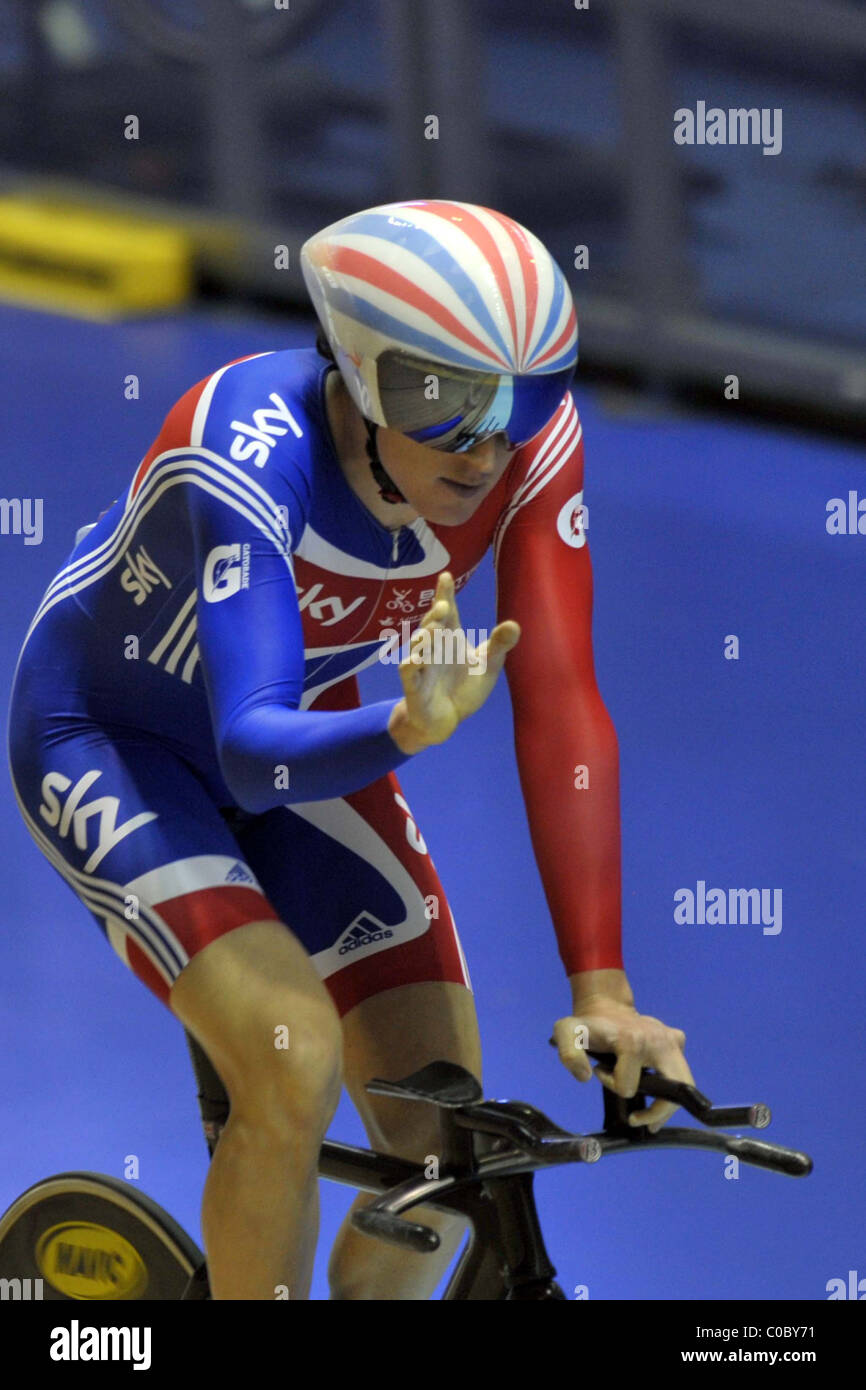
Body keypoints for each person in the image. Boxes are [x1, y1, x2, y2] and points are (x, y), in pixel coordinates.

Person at [7, 199, 693, 1300]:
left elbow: (560, 700)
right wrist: (403, 728)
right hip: (118, 741)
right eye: (444, 399)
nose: (485, 442)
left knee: (440, 1134)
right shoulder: (240, 445)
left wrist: (601, 987)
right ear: (362, 378)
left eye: (529, 396)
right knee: (289, 1058)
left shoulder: (523, 452)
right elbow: (247, 756)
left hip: (313, 735)